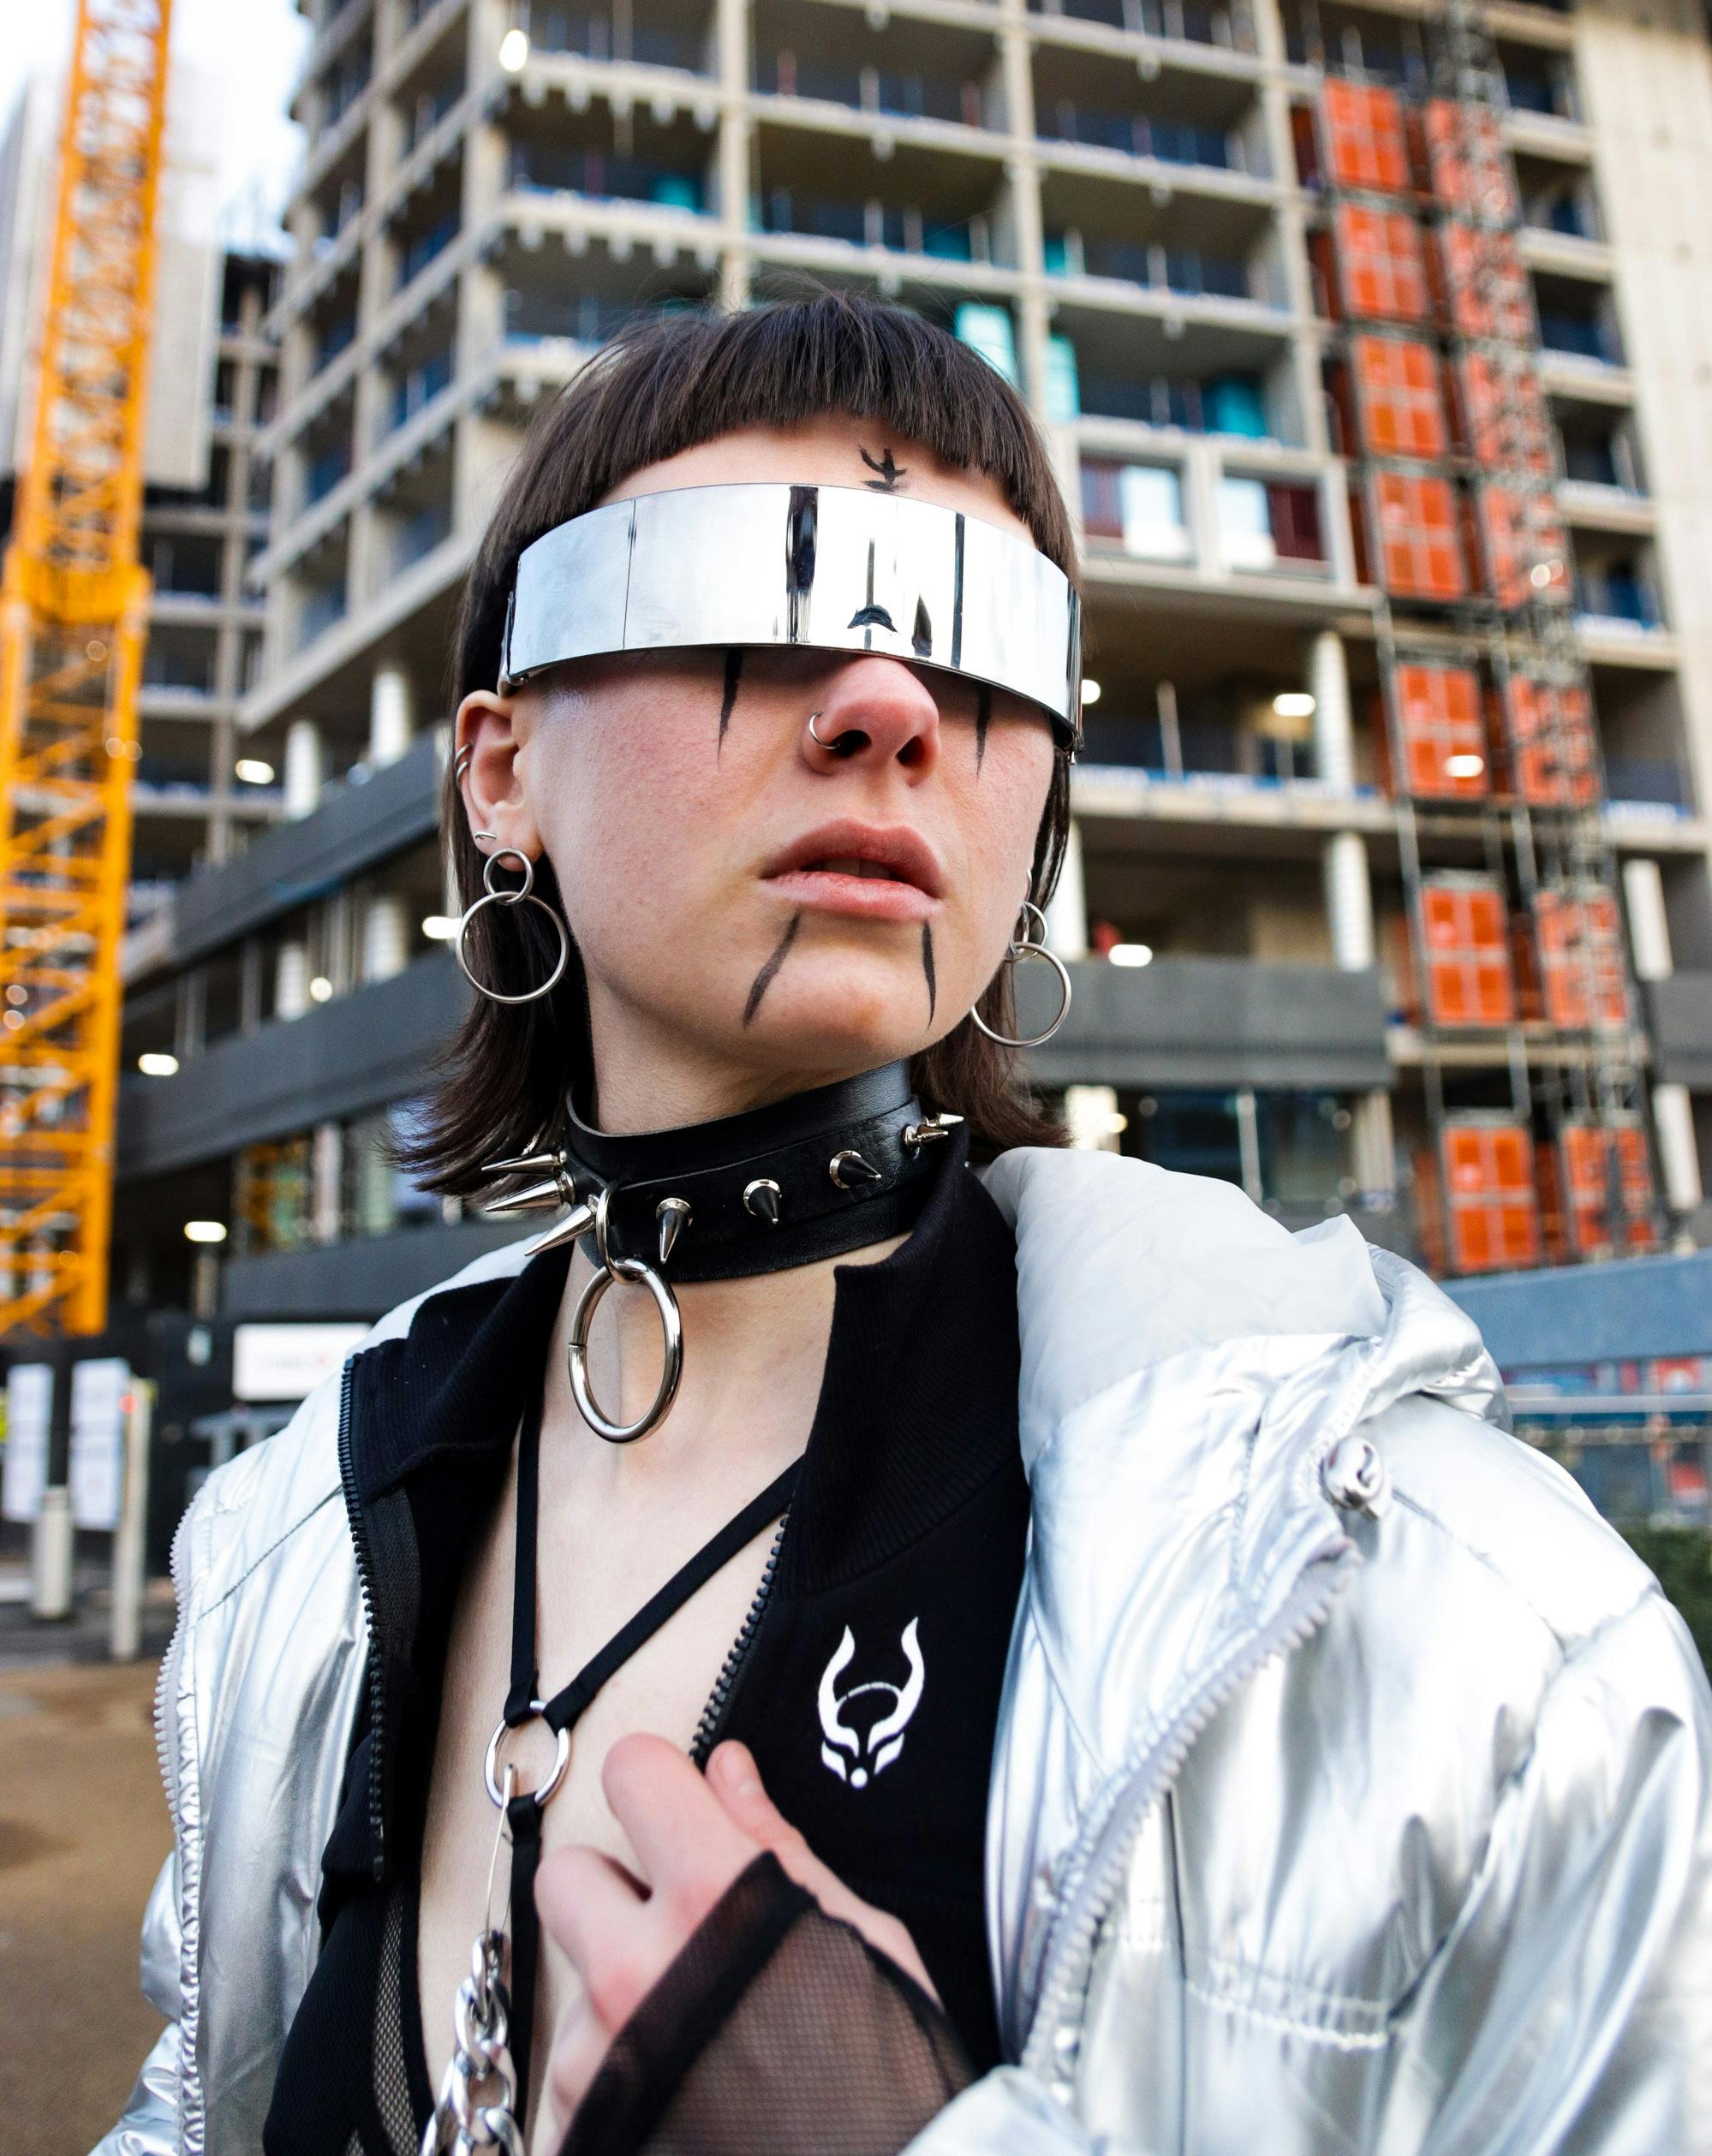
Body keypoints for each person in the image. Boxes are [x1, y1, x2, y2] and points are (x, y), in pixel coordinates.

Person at [99, 295, 1712, 2156]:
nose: (888, 704)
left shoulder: (1447, 1637)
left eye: (985, 640)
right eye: (743, 586)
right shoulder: (295, 1548)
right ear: (499, 763)